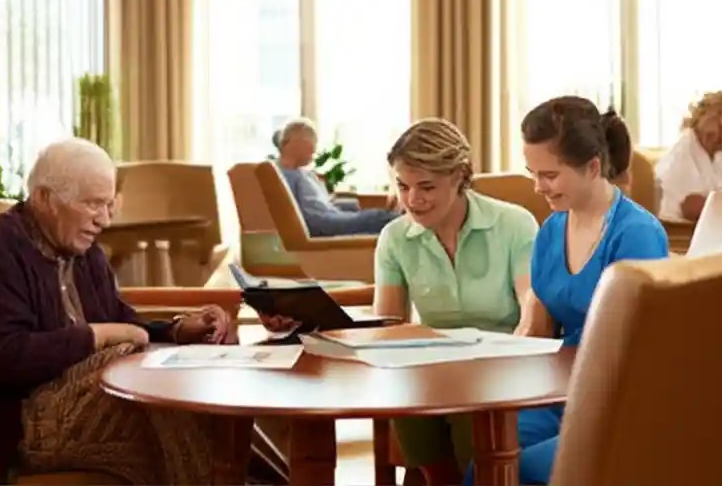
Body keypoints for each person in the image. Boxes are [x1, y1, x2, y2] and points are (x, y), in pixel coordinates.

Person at [0, 137, 238, 484]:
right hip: (23, 420)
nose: (105, 221)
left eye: (110, 205)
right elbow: (7, 359)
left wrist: (176, 331)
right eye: (93, 204)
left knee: (197, 397)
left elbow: (124, 322)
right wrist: (98, 336)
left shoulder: (86, 252)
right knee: (157, 391)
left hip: (91, 401)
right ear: (44, 199)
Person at [373, 118, 539, 485]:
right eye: (403, 186)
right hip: (431, 373)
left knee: (469, 407)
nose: (413, 200)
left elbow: (531, 309)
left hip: (499, 369)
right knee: (412, 393)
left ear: (460, 176)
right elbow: (386, 324)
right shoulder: (395, 238)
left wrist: (503, 362)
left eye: (427, 187)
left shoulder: (514, 225)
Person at [513, 96, 670, 485]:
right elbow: (534, 328)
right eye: (532, 173)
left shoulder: (637, 234)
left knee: (521, 468)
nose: (537, 187)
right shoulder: (550, 231)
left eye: (549, 175)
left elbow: (642, 349)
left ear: (593, 167)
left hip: (620, 402)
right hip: (561, 393)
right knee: (488, 460)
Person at [273, 117, 399, 236]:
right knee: (379, 219)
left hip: (330, 216)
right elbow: (310, 218)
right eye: (311, 141)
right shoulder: (280, 175)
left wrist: (350, 204)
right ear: (292, 142)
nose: (314, 149)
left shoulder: (306, 173)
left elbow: (323, 203)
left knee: (383, 217)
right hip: (323, 223)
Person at [655, 90, 722, 221]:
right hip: (683, 232)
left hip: (719, 226)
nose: (718, 137)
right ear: (702, 115)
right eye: (716, 126)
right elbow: (693, 209)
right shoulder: (682, 153)